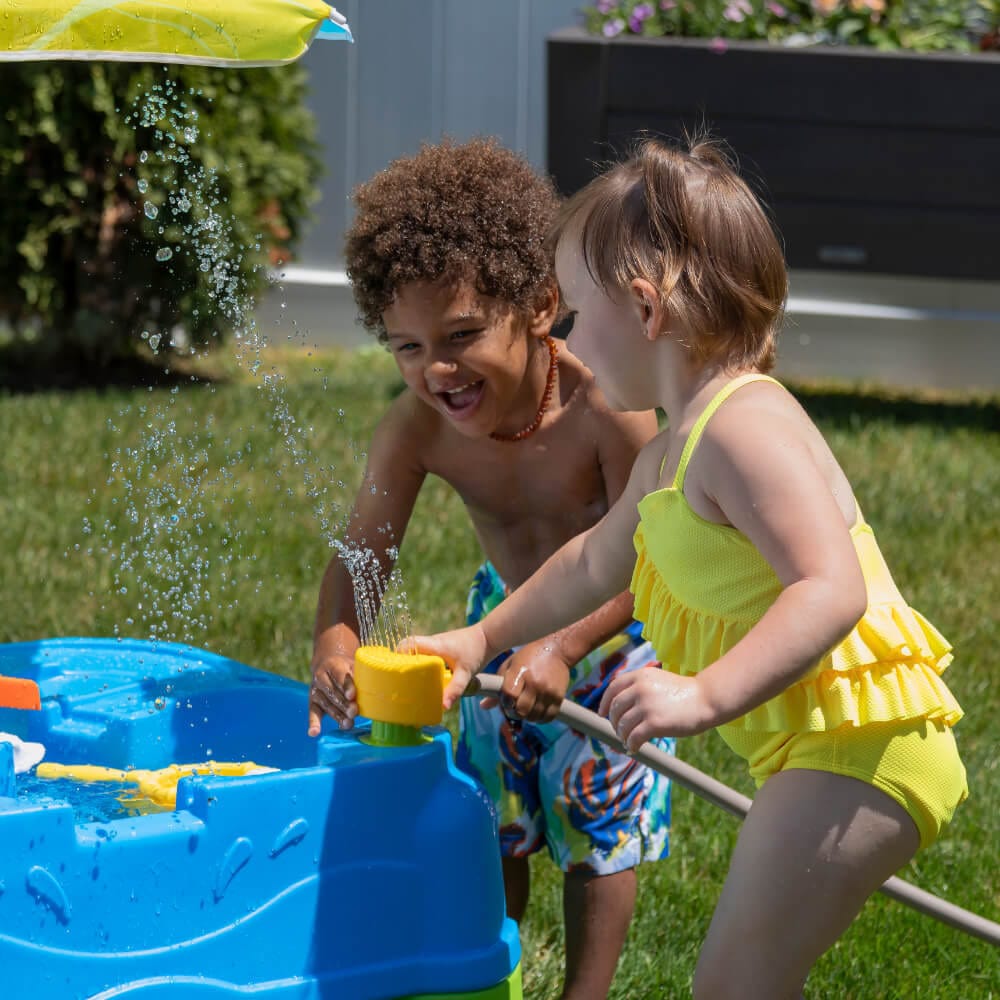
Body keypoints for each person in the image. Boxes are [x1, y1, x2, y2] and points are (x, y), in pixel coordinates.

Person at [405, 135, 968, 999]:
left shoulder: (744, 425)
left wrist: (703, 695)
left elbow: (832, 587)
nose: (570, 341)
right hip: (819, 751)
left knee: (732, 988)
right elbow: (592, 561)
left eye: (578, 317)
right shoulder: (671, 451)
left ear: (645, 308)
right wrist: (479, 637)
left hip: (865, 748)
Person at [307, 137, 674, 1000]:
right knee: (489, 813)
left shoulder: (606, 410)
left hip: (617, 635)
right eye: (405, 346)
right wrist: (334, 639)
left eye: (462, 333)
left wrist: (566, 649)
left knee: (596, 821)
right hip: (501, 624)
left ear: (541, 305)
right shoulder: (416, 427)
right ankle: (485, 967)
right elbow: (363, 554)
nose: (435, 368)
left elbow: (647, 559)